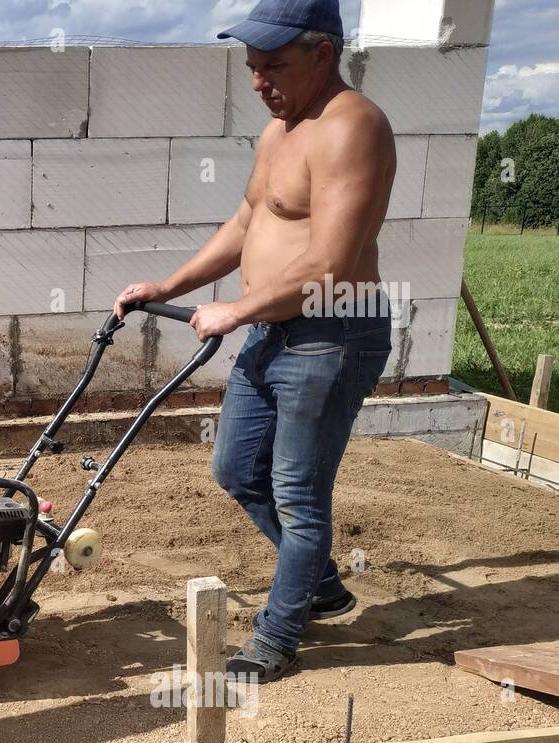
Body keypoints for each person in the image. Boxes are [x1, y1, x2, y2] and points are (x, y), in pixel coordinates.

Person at [115, 0, 397, 681]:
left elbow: (329, 263)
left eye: (273, 65)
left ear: (322, 54)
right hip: (276, 326)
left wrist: (236, 310)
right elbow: (247, 222)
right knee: (237, 470)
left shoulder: (352, 127)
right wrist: (171, 286)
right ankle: (321, 584)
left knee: (299, 495)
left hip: (333, 331)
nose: (258, 82)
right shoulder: (281, 132)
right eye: (251, 67)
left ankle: (276, 638)